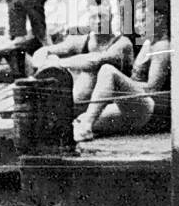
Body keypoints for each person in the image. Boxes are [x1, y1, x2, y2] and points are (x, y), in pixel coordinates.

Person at [73, 11, 172, 141]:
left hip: (152, 110)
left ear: (159, 20)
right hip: (137, 106)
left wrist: (120, 86)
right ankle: (85, 126)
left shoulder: (162, 47)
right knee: (80, 119)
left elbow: (152, 89)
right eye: (136, 21)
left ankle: (86, 127)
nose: (137, 26)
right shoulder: (149, 43)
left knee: (108, 71)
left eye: (143, 21)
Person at [31, 0, 134, 110]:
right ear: (88, 19)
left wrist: (57, 63)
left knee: (89, 71)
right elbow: (43, 51)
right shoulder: (81, 40)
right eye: (93, 17)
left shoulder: (123, 44)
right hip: (90, 103)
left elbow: (94, 61)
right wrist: (44, 61)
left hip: (117, 107)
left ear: (111, 17)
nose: (98, 21)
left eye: (102, 17)